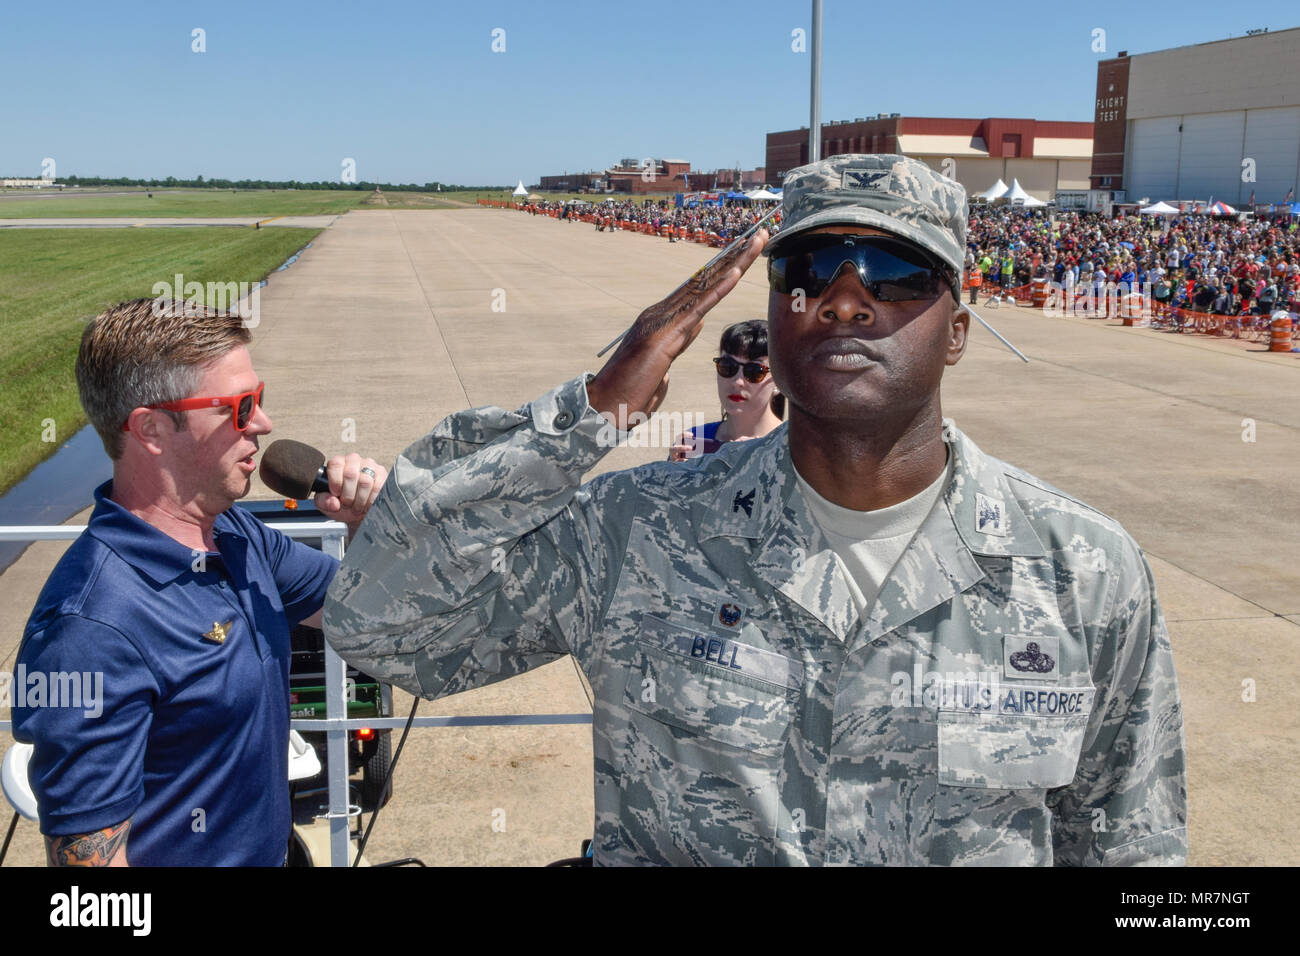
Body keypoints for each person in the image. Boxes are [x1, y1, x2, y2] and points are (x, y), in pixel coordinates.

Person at [324, 154, 1187, 866]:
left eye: (895, 274)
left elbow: (1128, 847)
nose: (845, 300)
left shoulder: (1079, 571)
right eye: (808, 270)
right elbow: (388, 628)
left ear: (956, 330)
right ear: (775, 315)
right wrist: (585, 416)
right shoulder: (642, 531)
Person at [11, 298, 387, 866]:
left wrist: (364, 528)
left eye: (257, 400)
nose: (263, 423)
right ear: (152, 428)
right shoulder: (88, 630)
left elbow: (358, 613)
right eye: (238, 407)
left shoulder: (235, 532)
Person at [667, 320, 784, 461]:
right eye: (727, 366)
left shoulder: (793, 450)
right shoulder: (695, 439)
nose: (738, 382)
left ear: (780, 381)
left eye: (754, 371)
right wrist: (673, 474)